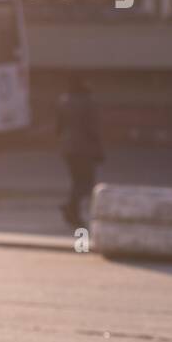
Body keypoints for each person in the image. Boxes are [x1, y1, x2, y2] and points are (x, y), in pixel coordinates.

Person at [55, 76, 104, 229]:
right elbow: (92, 128)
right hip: (84, 147)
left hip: (67, 146)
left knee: (77, 180)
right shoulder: (88, 102)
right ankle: (72, 208)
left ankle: (71, 208)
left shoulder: (63, 101)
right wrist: (99, 149)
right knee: (86, 181)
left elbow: (58, 126)